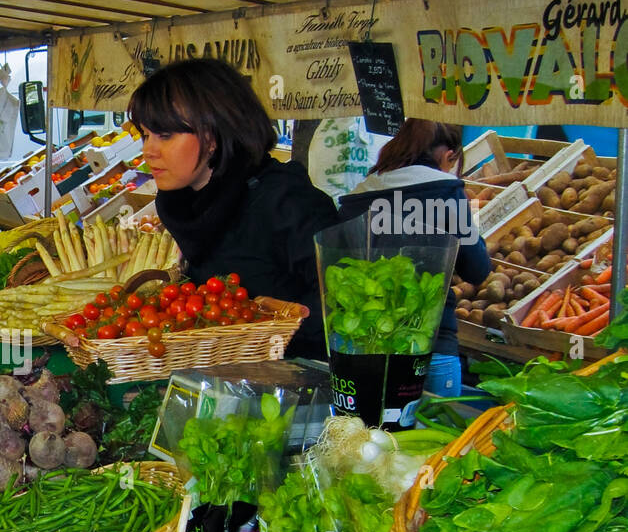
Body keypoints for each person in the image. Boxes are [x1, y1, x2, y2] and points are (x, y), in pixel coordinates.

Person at [127, 58, 341, 358]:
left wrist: (275, 326)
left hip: (293, 387)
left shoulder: (287, 201)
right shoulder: (185, 207)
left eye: (165, 135)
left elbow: (341, 306)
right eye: (145, 135)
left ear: (212, 137)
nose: (148, 150)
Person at [336, 119, 491, 397]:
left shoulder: (358, 196)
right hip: (432, 346)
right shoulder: (446, 193)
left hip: (363, 345)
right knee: (440, 436)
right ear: (448, 155)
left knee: (367, 432)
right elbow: (477, 269)